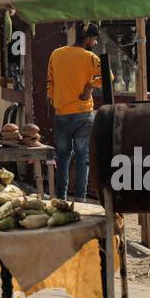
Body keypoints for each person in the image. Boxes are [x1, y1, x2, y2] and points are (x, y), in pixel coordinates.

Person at [46, 21, 103, 202]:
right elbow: (108, 77)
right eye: (94, 40)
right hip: (84, 114)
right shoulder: (90, 58)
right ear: (88, 39)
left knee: (62, 157)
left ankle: (61, 198)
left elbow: (49, 81)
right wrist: (90, 85)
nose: (95, 44)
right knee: (82, 158)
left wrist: (54, 100)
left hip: (61, 114)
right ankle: (80, 200)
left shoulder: (56, 53)